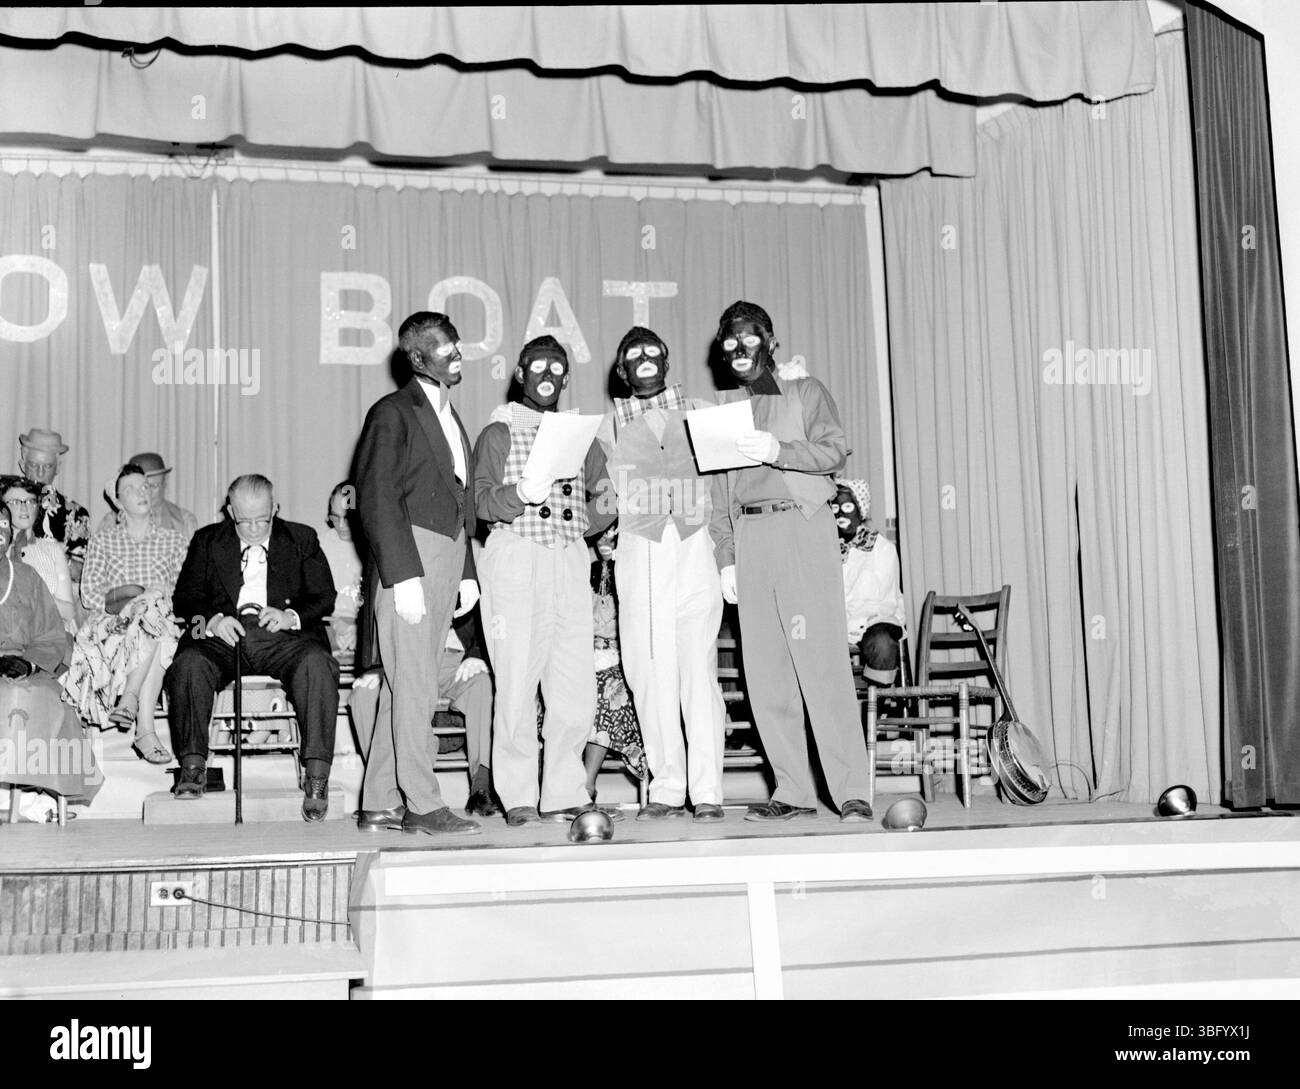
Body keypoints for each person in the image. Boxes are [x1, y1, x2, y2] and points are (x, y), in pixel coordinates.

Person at [708, 301, 874, 823]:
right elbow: (718, 500)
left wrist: (780, 447)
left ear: (771, 343)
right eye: (729, 342)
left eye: (749, 339)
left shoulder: (806, 392)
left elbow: (834, 452)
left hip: (803, 528)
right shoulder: (722, 414)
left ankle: (851, 789)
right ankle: (794, 791)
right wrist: (726, 559)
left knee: (822, 664)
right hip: (750, 537)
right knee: (765, 673)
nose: (739, 350)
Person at [473, 334, 616, 826]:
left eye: (558, 367)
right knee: (515, 680)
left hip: (569, 560)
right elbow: (482, 503)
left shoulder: (582, 436)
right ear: (520, 374)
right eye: (538, 366)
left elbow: (603, 498)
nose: (548, 375)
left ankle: (563, 790)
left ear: (567, 377)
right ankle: (516, 796)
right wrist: (522, 492)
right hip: (516, 554)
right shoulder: (499, 431)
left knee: (573, 683)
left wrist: (594, 515)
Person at [352, 311, 481, 837]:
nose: (455, 352)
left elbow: (458, 498)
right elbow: (376, 497)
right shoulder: (392, 411)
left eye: (456, 343)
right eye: (442, 345)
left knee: (404, 686)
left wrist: (467, 569)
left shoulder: (452, 415)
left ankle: (379, 800)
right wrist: (402, 576)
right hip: (411, 559)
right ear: (416, 357)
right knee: (416, 689)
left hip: (446, 555)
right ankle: (423, 805)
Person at [594, 326, 728, 822]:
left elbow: (733, 473)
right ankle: (668, 787)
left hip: (696, 547)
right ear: (623, 371)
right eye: (634, 355)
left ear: (667, 362)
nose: (645, 359)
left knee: (698, 669)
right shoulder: (604, 428)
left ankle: (708, 790)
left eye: (654, 352)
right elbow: (599, 495)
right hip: (640, 549)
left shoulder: (702, 413)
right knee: (650, 672)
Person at [164, 474, 340, 820]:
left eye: (264, 519)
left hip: (284, 638)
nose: (256, 528)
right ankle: (193, 767)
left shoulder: (302, 538)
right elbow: (184, 599)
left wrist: (290, 616)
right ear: (230, 512)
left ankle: (317, 777)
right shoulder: (207, 541)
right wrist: (213, 620)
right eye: (245, 521)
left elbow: (324, 597)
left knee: (317, 664)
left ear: (275, 507)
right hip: (224, 636)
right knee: (188, 664)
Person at [61, 463, 187, 765]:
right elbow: (91, 595)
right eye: (130, 489)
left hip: (159, 621)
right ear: (118, 500)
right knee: (153, 615)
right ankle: (145, 728)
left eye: (145, 486)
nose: (141, 492)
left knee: (155, 614)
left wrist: (148, 599)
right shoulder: (104, 540)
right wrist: (136, 600)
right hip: (112, 628)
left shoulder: (174, 540)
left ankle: (130, 700)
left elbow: (184, 594)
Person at [0, 503, 102, 820]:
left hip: (25, 670)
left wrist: (29, 663)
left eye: (2, 524)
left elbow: (52, 637)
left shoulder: (27, 577)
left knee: (28, 695)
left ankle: (25, 796)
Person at [349, 606, 498, 820]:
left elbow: (485, 616)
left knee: (481, 682)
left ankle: (482, 785)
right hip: (403, 661)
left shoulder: (458, 574)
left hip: (454, 659)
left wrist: (477, 654)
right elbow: (372, 624)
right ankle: (384, 791)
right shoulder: (393, 575)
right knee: (365, 693)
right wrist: (374, 667)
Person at [584, 535, 647, 805]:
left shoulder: (635, 572)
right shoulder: (582, 569)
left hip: (622, 659)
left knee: (609, 690)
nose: (606, 539)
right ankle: (565, 784)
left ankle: (586, 784)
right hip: (582, 655)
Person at [834, 479, 906, 685]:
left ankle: (878, 706)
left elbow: (884, 602)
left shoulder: (882, 549)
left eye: (847, 506)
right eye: (835, 508)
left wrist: (854, 624)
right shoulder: (826, 551)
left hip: (875, 621)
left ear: (861, 510)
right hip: (838, 625)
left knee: (882, 643)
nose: (840, 514)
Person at [1, 475, 76, 633]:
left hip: (47, 636)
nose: (24, 508)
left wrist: (38, 596)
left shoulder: (52, 550)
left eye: (30, 501)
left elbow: (69, 612)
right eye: (15, 502)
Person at [16, 428, 90, 583]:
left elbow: (82, 573)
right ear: (23, 464)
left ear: (58, 468)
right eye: (34, 465)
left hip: (55, 591)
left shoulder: (76, 513)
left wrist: (61, 558)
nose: (40, 473)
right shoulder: (5, 504)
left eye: (48, 466)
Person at [97, 452, 199, 544]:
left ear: (165, 482)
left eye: (153, 486)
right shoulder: (110, 522)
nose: (146, 493)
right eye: (138, 488)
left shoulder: (185, 521)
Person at [317, 481, 364, 660]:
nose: (342, 526)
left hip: (365, 627)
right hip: (328, 625)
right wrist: (338, 626)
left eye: (348, 518)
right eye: (335, 518)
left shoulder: (376, 547)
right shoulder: (319, 546)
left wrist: (360, 629)